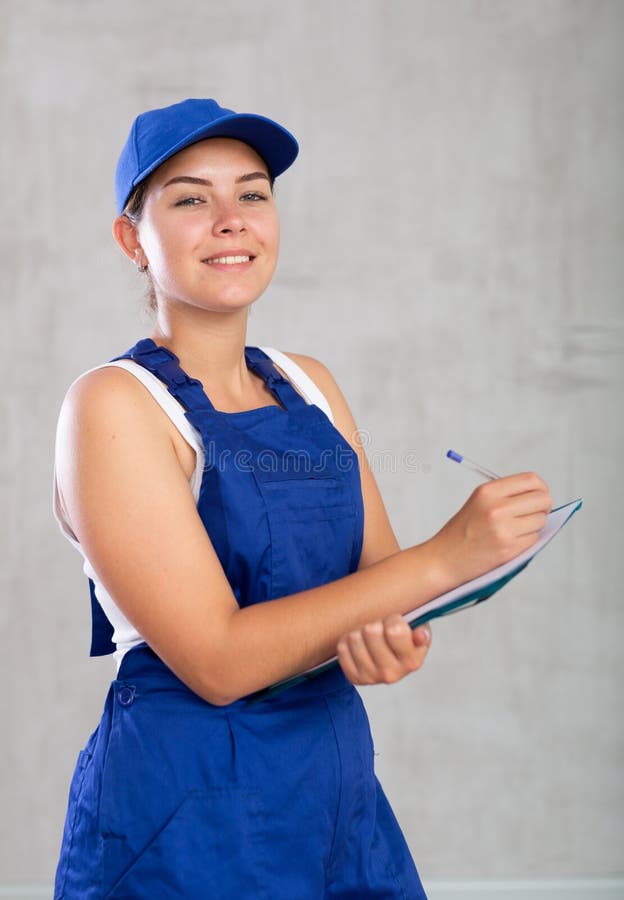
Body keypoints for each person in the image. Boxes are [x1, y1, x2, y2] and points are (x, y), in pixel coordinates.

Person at [52, 98, 551, 899]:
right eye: (190, 199)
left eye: (252, 194)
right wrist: (444, 558)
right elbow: (216, 662)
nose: (230, 220)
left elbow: (382, 582)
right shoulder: (112, 405)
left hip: (333, 795)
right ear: (130, 238)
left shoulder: (310, 386)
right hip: (187, 814)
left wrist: (390, 640)